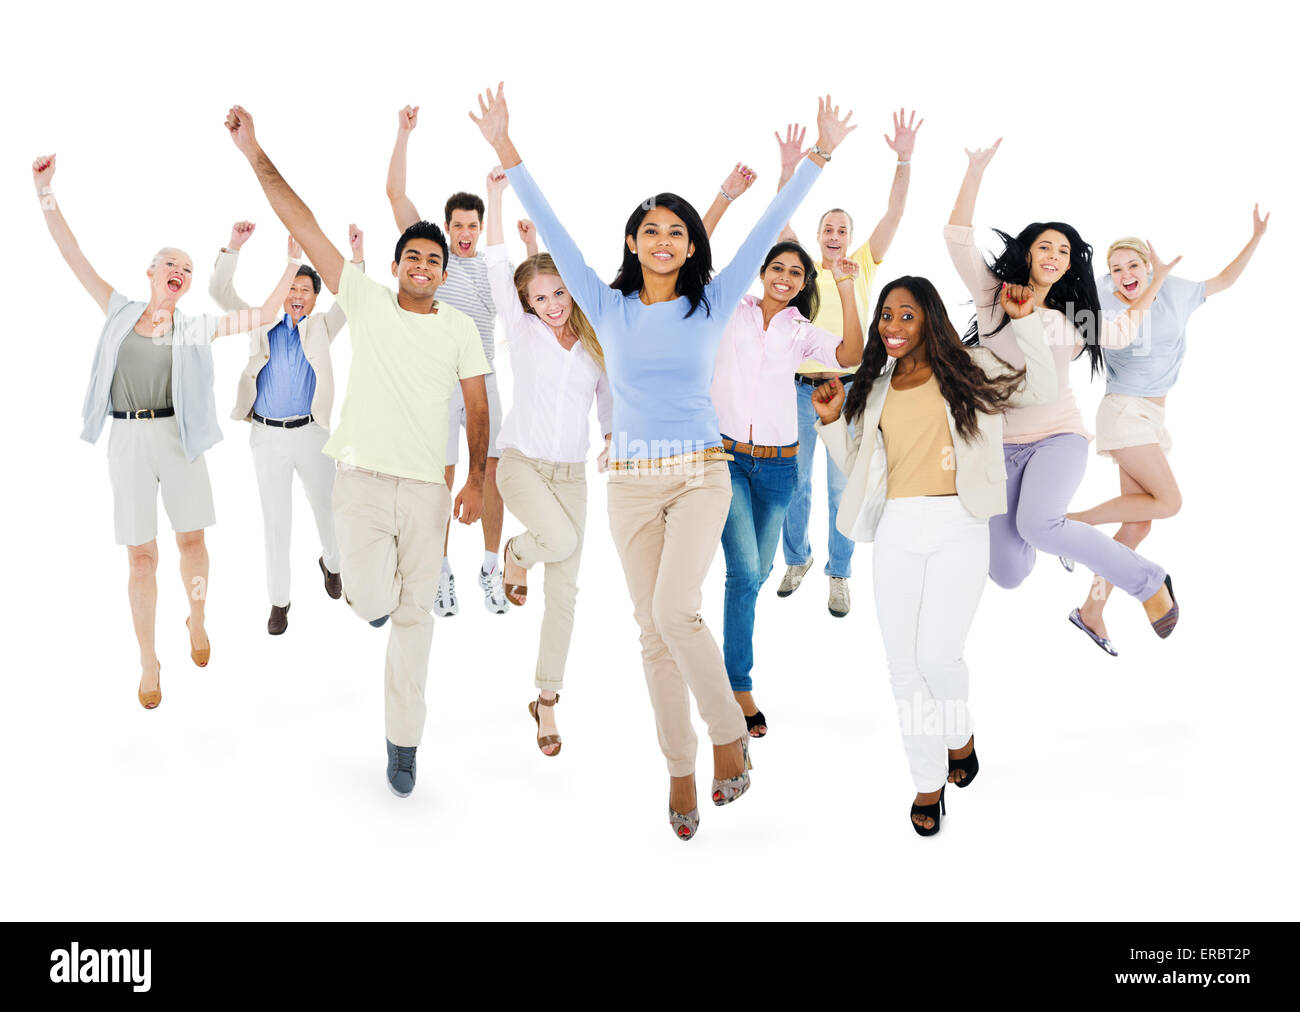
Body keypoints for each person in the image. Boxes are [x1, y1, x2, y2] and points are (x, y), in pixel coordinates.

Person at [471, 82, 855, 840]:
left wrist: (818, 154)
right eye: (651, 230)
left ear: (690, 246)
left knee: (675, 611)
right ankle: (677, 768)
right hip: (630, 486)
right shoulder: (605, 306)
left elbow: (771, 224)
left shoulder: (713, 302)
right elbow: (550, 225)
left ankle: (725, 736)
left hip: (700, 472)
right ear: (632, 243)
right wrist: (505, 147)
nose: (664, 239)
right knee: (650, 631)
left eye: (676, 231)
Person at [224, 105, 492, 799]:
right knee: (370, 599)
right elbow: (305, 222)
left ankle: (403, 743)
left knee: (415, 619)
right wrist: (256, 153)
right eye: (414, 255)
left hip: (428, 492)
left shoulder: (460, 328)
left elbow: (478, 406)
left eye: (436, 258)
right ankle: (364, 598)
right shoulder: (366, 301)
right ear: (399, 263)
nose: (425, 264)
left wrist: (476, 481)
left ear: (444, 267)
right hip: (363, 483)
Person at [33, 153, 298, 710]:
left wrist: (290, 260)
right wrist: (45, 191)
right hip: (127, 442)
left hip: (180, 440)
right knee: (140, 559)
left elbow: (263, 314)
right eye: (169, 264)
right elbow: (71, 252)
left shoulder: (192, 326)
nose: (179, 271)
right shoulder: (118, 310)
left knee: (192, 541)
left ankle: (197, 619)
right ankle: (149, 659)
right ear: (151, 273)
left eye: (187, 269)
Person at [812, 278, 1055, 835]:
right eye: (886, 316)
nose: (892, 326)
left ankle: (958, 735)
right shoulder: (874, 384)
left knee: (938, 658)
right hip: (897, 526)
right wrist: (830, 423)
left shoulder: (972, 366)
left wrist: (1024, 322)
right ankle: (927, 781)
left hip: (960, 524)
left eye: (906, 315)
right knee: (903, 668)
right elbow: (860, 470)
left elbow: (1040, 387)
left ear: (929, 320)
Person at [945, 139, 1180, 639]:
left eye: (1064, 250)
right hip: (1002, 447)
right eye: (1045, 246)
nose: (1054, 254)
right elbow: (957, 239)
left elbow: (1120, 332)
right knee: (1008, 573)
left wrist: (1155, 283)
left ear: (1071, 265)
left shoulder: (1073, 319)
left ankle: (1148, 581)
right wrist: (975, 170)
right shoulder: (994, 298)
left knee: (1038, 526)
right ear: (1028, 252)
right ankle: (1057, 531)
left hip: (1059, 438)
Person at [1062, 209, 1269, 654]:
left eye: (1133, 265)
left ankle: (1091, 611)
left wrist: (1257, 236)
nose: (1124, 274)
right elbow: (1069, 317)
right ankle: (1068, 527)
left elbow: (1225, 280)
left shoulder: (1174, 290)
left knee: (1137, 528)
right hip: (1124, 412)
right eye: (1116, 268)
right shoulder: (1102, 298)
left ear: (1148, 266)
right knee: (1170, 502)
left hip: (1151, 418)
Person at [710, 239, 863, 739]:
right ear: (762, 271)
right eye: (777, 267)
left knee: (754, 575)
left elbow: (851, 354)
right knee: (745, 571)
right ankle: (738, 686)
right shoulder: (731, 310)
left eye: (796, 272)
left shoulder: (800, 331)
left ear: (803, 284)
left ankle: (715, 656)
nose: (785, 277)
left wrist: (845, 281)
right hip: (728, 459)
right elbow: (700, 273)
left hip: (780, 467)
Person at [483, 166, 613, 756]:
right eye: (540, 297)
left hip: (571, 473)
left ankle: (547, 700)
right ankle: (515, 554)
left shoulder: (592, 342)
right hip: (521, 464)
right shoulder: (524, 328)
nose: (553, 304)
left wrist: (612, 436)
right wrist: (496, 194)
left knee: (566, 592)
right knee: (555, 541)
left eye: (560, 292)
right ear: (526, 303)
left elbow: (609, 394)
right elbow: (496, 264)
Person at [775, 111, 922, 618]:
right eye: (828, 228)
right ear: (818, 237)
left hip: (849, 389)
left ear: (850, 236)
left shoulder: (861, 264)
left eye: (842, 228)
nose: (835, 234)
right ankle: (798, 559)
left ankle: (840, 573)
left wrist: (904, 157)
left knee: (843, 486)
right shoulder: (804, 268)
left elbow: (895, 213)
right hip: (799, 389)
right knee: (794, 481)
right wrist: (790, 165)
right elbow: (779, 214)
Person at [209, 221, 367, 635]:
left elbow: (351, 300)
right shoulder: (261, 323)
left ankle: (332, 565)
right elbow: (220, 294)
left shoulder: (320, 328)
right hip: (266, 436)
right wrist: (233, 247)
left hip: (311, 434)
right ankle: (279, 601)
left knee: (327, 511)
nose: (296, 296)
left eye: (305, 291)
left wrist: (356, 258)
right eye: (291, 289)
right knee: (275, 521)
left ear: (314, 300)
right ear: (282, 295)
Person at [387, 105, 510, 616]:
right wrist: (404, 133)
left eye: (472, 227)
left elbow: (525, 285)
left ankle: (489, 567)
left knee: (492, 472)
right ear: (446, 226)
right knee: (440, 475)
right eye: (457, 225)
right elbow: (395, 195)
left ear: (480, 229)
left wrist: (499, 198)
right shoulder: (432, 262)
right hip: (438, 385)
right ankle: (439, 572)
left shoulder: (489, 266)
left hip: (482, 381)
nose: (464, 234)